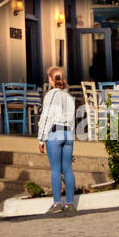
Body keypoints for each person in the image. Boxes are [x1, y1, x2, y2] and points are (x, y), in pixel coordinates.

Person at [37, 65, 77, 214]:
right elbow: (73, 119)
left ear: (50, 79)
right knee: (67, 168)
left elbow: (46, 117)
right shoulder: (68, 96)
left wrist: (41, 139)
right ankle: (69, 203)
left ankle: (56, 203)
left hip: (55, 133)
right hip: (68, 134)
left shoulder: (52, 95)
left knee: (55, 169)